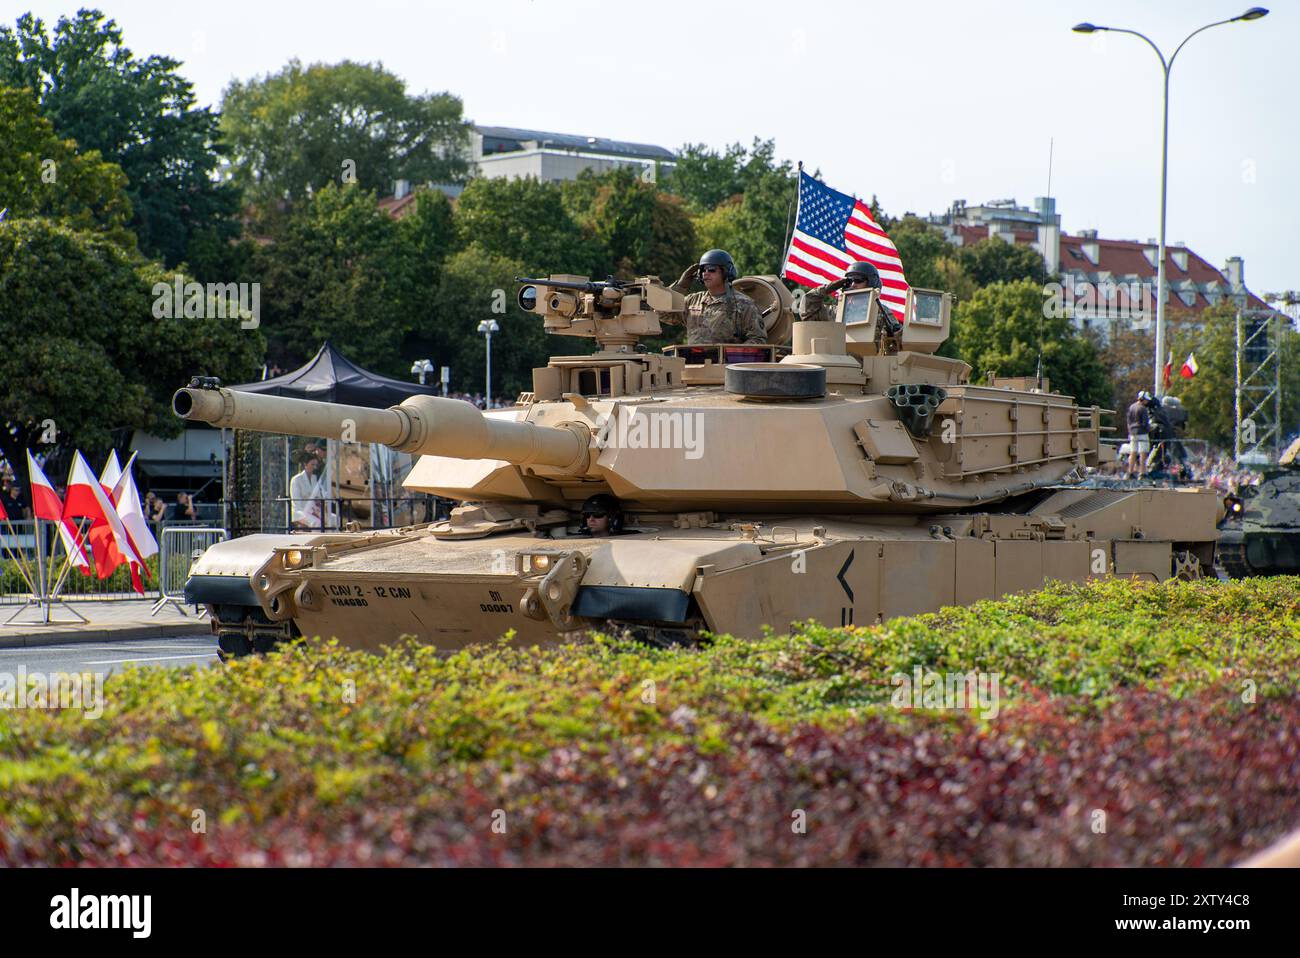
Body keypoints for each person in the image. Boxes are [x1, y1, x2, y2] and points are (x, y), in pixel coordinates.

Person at [668, 249, 767, 345]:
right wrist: (680, 287)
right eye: (702, 270)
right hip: (695, 361)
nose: (706, 273)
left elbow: (758, 340)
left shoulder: (744, 304)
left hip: (726, 362)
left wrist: (733, 354)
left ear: (726, 272)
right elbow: (664, 314)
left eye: (711, 269)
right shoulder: (692, 301)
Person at [1127, 390, 1151, 478]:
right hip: (1142, 432)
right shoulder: (1143, 408)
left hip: (1132, 432)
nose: (1147, 401)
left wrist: (1130, 431)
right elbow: (1145, 423)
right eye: (1146, 400)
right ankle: (1142, 472)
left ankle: (1130, 472)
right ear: (1143, 399)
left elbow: (1128, 421)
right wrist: (1149, 428)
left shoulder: (1131, 407)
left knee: (1133, 452)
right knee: (1143, 453)